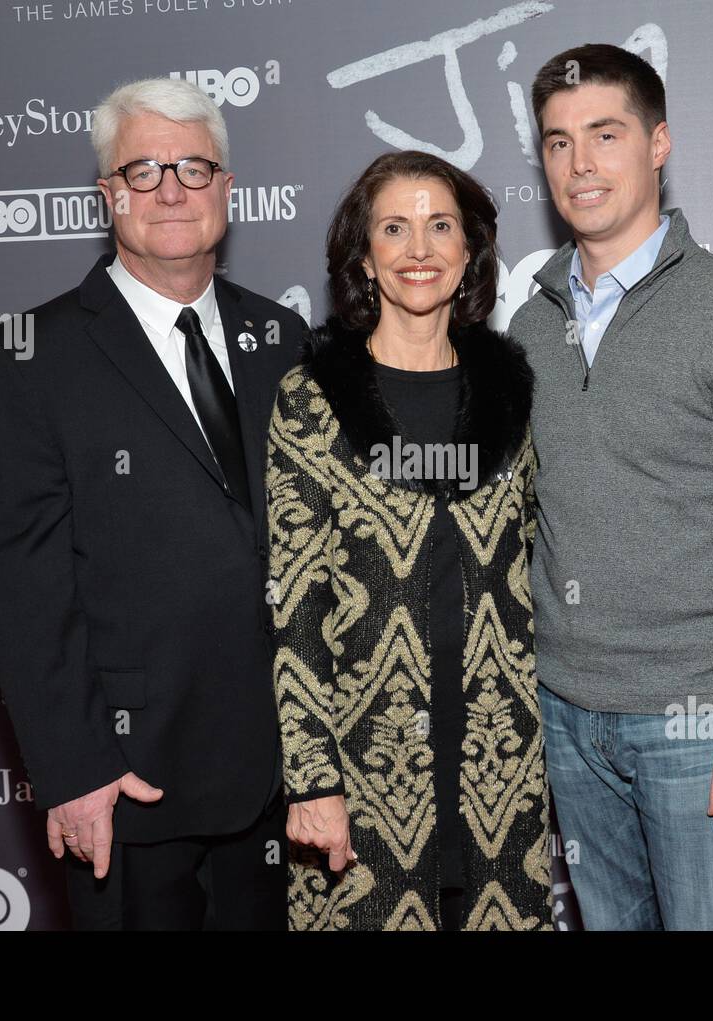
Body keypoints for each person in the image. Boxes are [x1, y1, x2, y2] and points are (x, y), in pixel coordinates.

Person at [0, 77, 306, 929]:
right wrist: (74, 771)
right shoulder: (29, 357)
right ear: (107, 195)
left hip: (282, 780)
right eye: (144, 170)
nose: (171, 191)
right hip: (129, 783)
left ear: (228, 190)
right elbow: (21, 588)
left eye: (195, 167)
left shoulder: (286, 342)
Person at [509, 44, 713, 929]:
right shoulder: (529, 324)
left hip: (699, 721)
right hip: (567, 714)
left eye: (605, 135)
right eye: (557, 141)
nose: (580, 164)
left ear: (658, 145)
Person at [265, 150, 552, 930]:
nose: (418, 249)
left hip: (506, 765)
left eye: (439, 227)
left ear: (469, 253)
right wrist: (312, 777)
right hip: (363, 769)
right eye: (394, 228)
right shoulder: (312, 398)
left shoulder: (515, 393)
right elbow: (294, 604)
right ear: (364, 256)